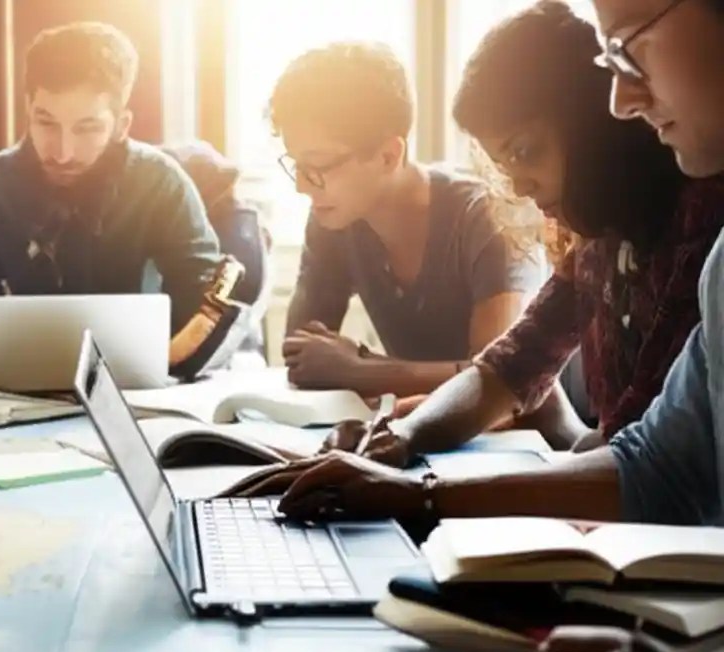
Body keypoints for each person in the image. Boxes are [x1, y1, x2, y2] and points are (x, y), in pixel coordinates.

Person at [228, 0, 724, 530]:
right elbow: (508, 365)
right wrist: (403, 438)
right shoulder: (596, 241)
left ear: (590, 124)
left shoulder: (701, 226)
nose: (516, 184)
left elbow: (647, 462)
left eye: (526, 152)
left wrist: (419, 491)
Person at [0, 21, 223, 378]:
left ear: (121, 125)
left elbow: (203, 310)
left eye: (87, 128)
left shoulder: (162, 183)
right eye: (46, 123)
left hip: (141, 387)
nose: (62, 153)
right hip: (16, 395)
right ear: (28, 108)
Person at [275, 41, 544, 399]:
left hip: (531, 440)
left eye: (318, 167)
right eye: (296, 164)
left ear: (388, 155)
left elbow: (503, 382)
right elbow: (303, 359)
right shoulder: (333, 218)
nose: (301, 186)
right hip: (424, 431)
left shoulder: (485, 218)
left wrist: (361, 370)